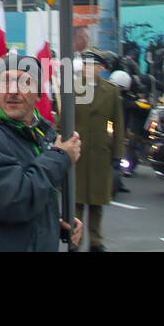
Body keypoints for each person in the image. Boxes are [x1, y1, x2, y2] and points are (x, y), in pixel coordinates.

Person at [0, 55, 81, 252]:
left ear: (38, 94)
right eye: (5, 81)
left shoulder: (42, 132)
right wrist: (59, 157)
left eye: (24, 82)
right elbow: (14, 200)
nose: (13, 91)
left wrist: (52, 222)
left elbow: (37, 189)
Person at [67, 50, 124, 251]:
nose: (88, 68)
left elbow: (117, 123)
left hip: (101, 151)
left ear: (101, 68)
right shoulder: (72, 88)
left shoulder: (111, 91)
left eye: (93, 65)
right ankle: (75, 239)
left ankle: (96, 240)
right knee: (77, 200)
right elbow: (63, 121)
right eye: (85, 64)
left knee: (97, 200)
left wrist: (117, 153)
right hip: (78, 150)